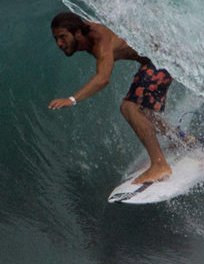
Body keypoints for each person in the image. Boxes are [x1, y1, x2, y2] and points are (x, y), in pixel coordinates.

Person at [48, 11, 174, 184]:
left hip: (164, 59)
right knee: (142, 111)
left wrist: (72, 99)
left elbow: (103, 78)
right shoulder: (84, 32)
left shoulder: (99, 39)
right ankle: (181, 139)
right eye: (56, 39)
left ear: (77, 32)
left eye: (62, 37)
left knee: (129, 108)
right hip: (157, 59)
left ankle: (160, 165)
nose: (59, 43)